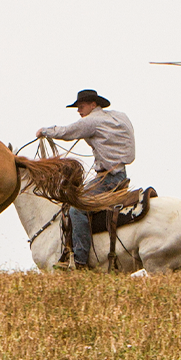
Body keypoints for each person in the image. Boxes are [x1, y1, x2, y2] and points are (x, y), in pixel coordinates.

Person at [36, 89, 136, 269]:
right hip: (120, 174)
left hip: (107, 180)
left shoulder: (92, 121)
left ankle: (80, 260)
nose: (78, 111)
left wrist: (45, 131)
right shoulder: (119, 117)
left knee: (76, 209)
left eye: (81, 106)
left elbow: (67, 131)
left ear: (92, 105)